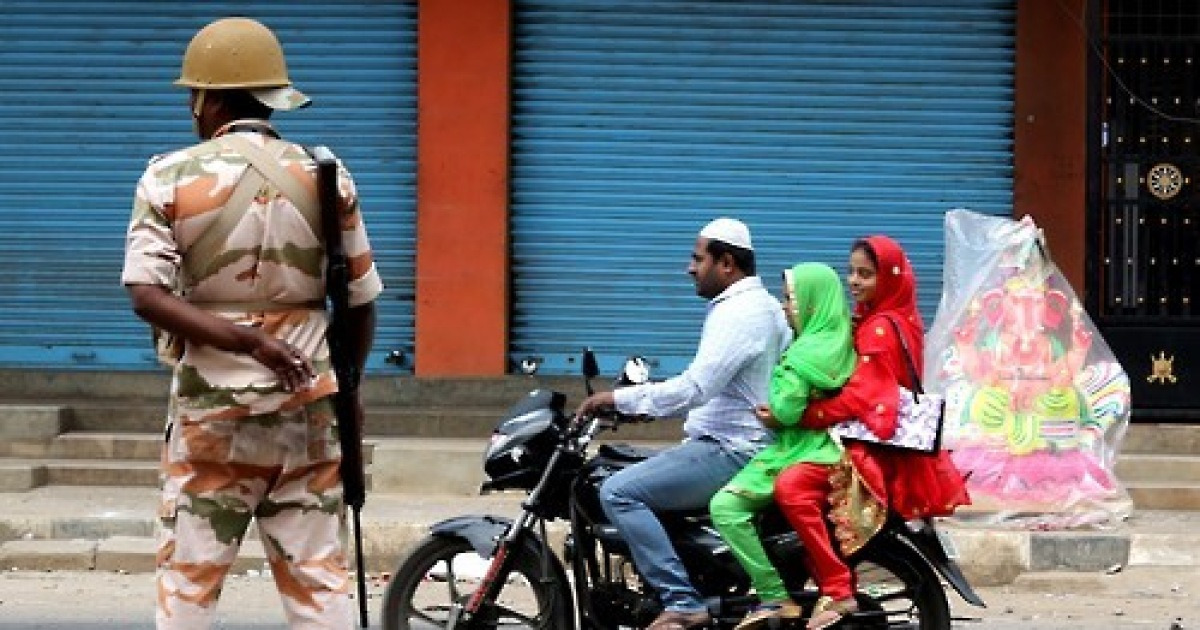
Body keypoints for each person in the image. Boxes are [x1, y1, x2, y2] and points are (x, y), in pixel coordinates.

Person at [121, 17, 382, 630]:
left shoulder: (170, 176)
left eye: (194, 95)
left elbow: (146, 294)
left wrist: (243, 342)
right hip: (310, 411)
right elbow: (363, 300)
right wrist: (349, 385)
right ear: (270, 96)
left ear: (209, 98)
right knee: (319, 584)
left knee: (189, 584)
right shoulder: (326, 175)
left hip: (210, 417)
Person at [575, 217, 791, 630]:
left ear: (726, 263)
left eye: (697, 259)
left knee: (618, 492)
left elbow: (695, 388)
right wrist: (641, 408)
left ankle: (682, 602)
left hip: (732, 449)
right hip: (735, 441)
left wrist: (619, 398)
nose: (689, 268)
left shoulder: (740, 314)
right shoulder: (754, 306)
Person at [773, 236, 969, 630]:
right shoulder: (891, 317)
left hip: (873, 453)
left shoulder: (880, 328)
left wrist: (804, 416)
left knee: (791, 488)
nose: (854, 282)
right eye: (851, 272)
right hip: (878, 442)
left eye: (865, 274)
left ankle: (837, 587)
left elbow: (862, 398)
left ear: (890, 277)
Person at [709, 263, 856, 630]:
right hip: (820, 446)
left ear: (811, 303)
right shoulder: (837, 339)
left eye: (791, 298)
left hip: (804, 449)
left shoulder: (807, 354)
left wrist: (772, 412)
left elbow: (788, 409)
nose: (785, 306)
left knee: (725, 507)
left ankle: (773, 594)